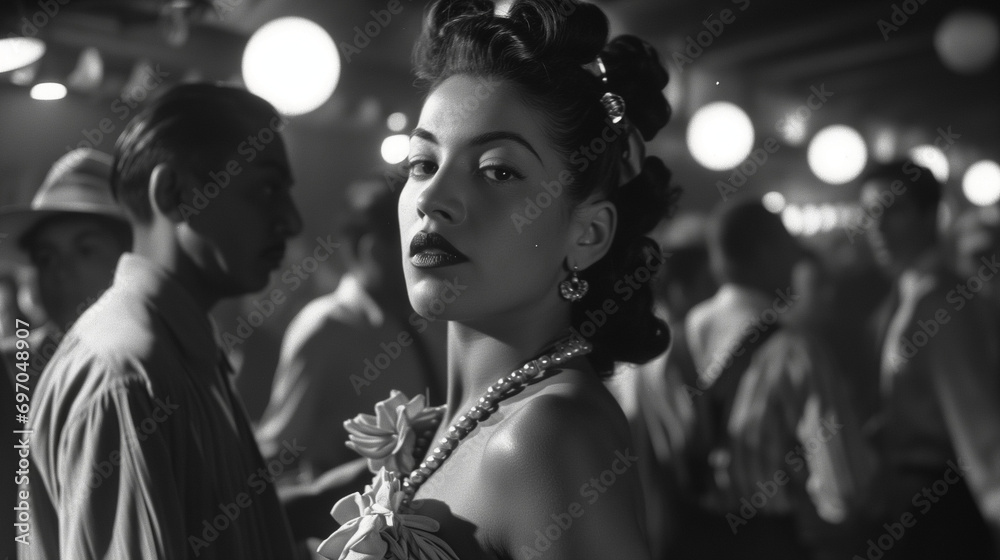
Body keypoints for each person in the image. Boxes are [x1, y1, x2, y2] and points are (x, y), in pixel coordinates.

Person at [316, 1, 674, 558]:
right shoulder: (447, 429)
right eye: (423, 163)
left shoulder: (546, 435)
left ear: (588, 234)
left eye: (497, 171)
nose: (433, 199)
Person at [23, 83, 303, 559]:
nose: (291, 221)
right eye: (267, 189)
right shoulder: (127, 377)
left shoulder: (175, 355)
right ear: (173, 193)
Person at [679, 199, 873, 559]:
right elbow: (842, 485)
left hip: (691, 539)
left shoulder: (677, 339)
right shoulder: (796, 350)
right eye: (788, 246)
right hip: (771, 541)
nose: (796, 260)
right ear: (765, 253)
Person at [256, 178, 447, 486]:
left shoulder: (429, 319)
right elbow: (278, 450)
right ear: (373, 251)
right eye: (415, 246)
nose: (428, 260)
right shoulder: (325, 329)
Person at [860, 159, 1000, 559]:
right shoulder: (904, 296)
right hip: (912, 501)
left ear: (929, 216)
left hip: (943, 505)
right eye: (869, 213)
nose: (878, 227)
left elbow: (976, 419)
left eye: (894, 211)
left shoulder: (941, 301)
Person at [0, 148, 131, 391]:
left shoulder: (158, 368)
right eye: (46, 258)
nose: (60, 272)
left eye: (86, 250)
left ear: (128, 257)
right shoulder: (12, 374)